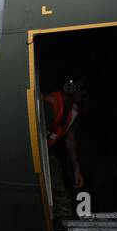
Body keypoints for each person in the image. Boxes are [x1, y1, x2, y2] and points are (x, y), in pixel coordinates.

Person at [43, 79, 87, 219]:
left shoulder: (73, 110)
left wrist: (76, 168)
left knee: (55, 167)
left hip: (46, 152)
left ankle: (64, 218)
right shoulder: (51, 103)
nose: (84, 94)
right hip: (34, 153)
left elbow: (70, 141)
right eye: (81, 90)